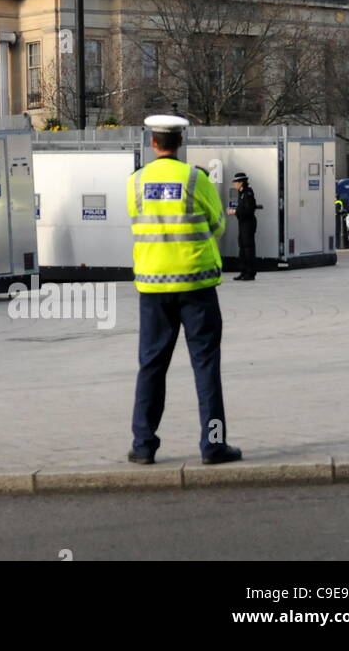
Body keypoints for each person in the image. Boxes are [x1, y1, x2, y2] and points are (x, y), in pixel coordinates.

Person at [125, 115, 242, 466]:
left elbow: (136, 219)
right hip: (197, 284)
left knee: (151, 365)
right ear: (180, 142)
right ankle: (213, 445)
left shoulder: (136, 181)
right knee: (206, 367)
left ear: (152, 142)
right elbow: (219, 224)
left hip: (153, 287)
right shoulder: (195, 178)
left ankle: (143, 445)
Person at [228, 172, 260, 281]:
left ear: (241, 182)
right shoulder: (241, 193)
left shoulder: (248, 193)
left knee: (248, 248)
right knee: (242, 246)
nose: (234, 185)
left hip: (248, 223)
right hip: (242, 223)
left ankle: (250, 273)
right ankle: (243, 271)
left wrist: (235, 211)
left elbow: (249, 210)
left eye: (236, 182)